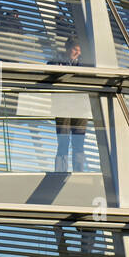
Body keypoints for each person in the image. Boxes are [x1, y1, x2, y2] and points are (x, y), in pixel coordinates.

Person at [50, 36, 87, 172]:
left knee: (79, 144)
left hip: (80, 108)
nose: (78, 53)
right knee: (63, 143)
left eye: (79, 50)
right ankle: (60, 173)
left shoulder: (84, 64)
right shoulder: (56, 61)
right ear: (67, 49)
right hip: (63, 107)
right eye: (74, 50)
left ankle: (79, 173)